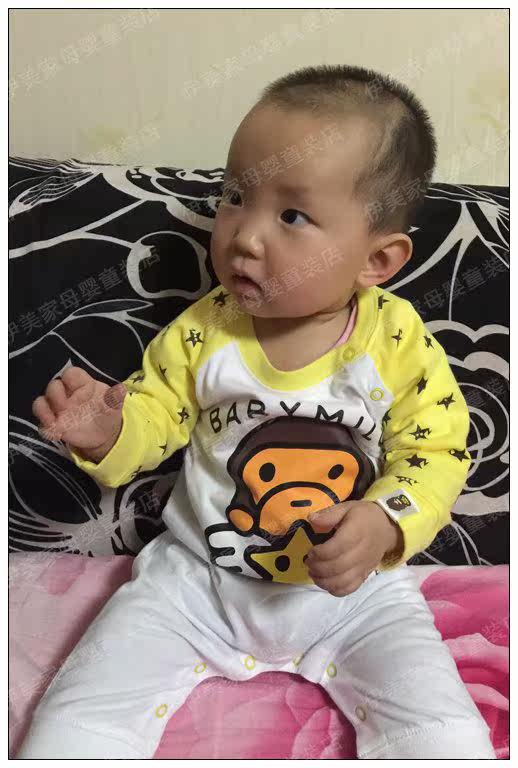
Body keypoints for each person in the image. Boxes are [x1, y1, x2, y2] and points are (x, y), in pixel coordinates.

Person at [19, 64, 495, 759]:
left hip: (356, 595)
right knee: (73, 721)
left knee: (446, 733)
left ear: (377, 260)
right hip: (194, 583)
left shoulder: (396, 344)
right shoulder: (202, 332)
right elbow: (156, 417)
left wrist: (384, 521)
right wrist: (110, 431)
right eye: (236, 197)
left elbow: (437, 453)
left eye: (292, 216)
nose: (245, 236)